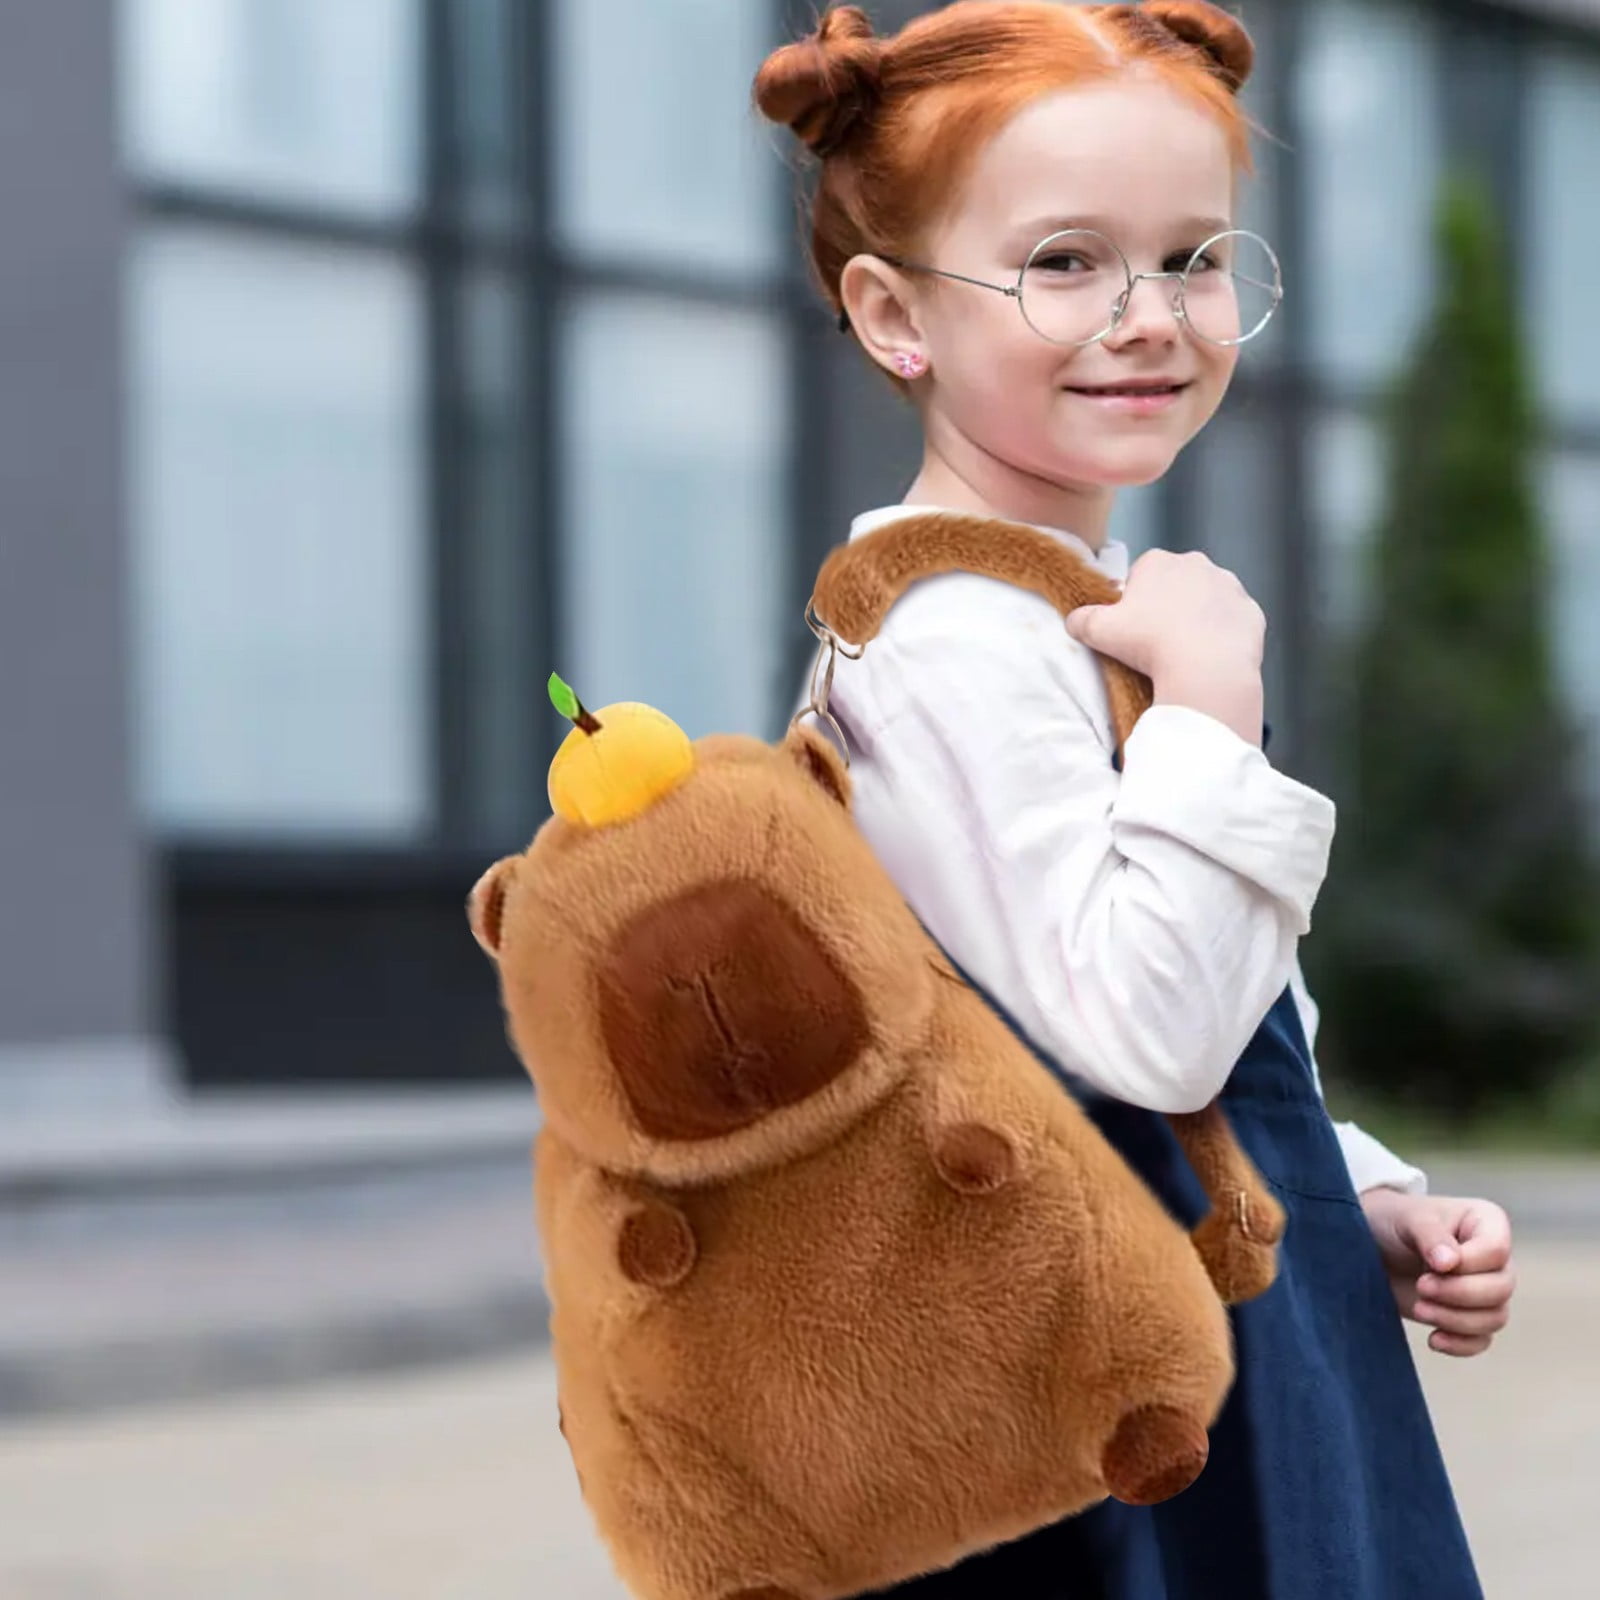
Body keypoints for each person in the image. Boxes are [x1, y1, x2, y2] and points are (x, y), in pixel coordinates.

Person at [753, 5, 1517, 1596]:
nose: (1150, 315)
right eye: (1063, 262)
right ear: (895, 314)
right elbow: (1142, 1027)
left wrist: (1353, 1192)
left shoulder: (1061, 599)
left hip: (1198, 1315)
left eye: (1192, 257)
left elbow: (1210, 1033)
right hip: (1119, 1393)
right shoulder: (955, 632)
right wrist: (1213, 705)